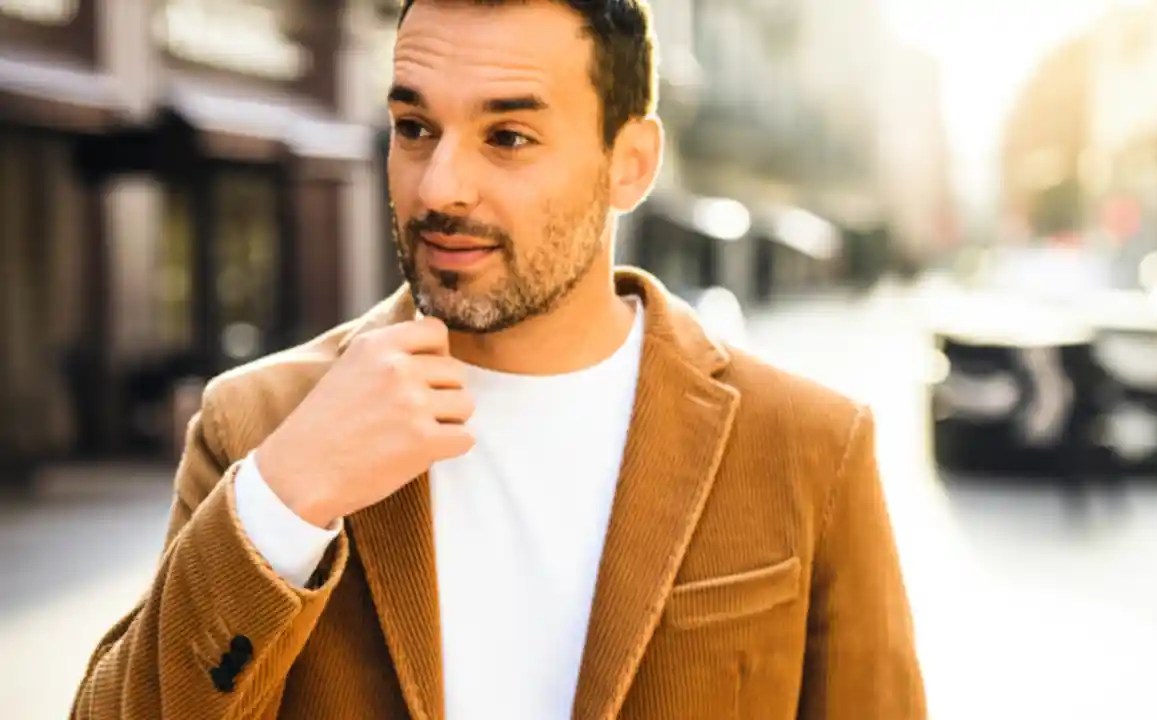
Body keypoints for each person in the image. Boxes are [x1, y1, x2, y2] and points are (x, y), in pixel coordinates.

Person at [72, 1, 925, 717]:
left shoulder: (811, 445)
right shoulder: (258, 422)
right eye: (413, 128)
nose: (439, 187)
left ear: (630, 164)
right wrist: (287, 499)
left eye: (508, 136)